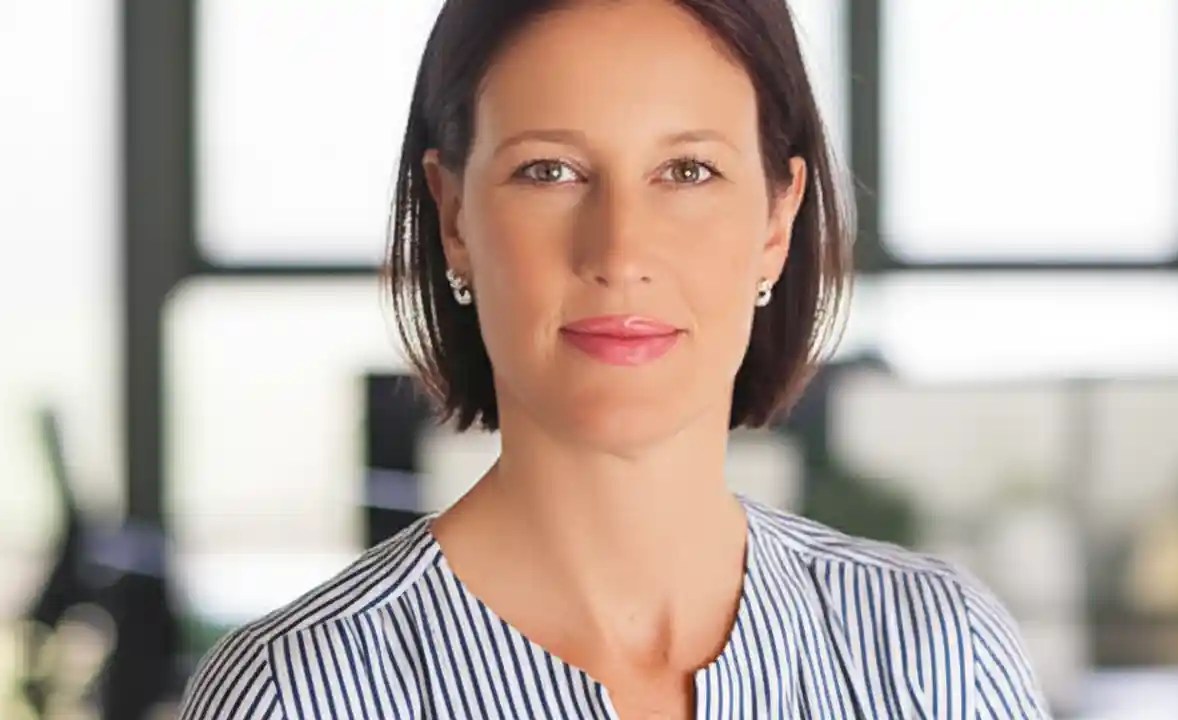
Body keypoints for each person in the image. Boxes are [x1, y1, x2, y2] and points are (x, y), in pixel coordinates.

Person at [178, 0, 1053, 717]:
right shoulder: (295, 694)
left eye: (688, 173)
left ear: (777, 224)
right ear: (454, 220)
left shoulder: (939, 656)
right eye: (549, 172)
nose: (620, 249)